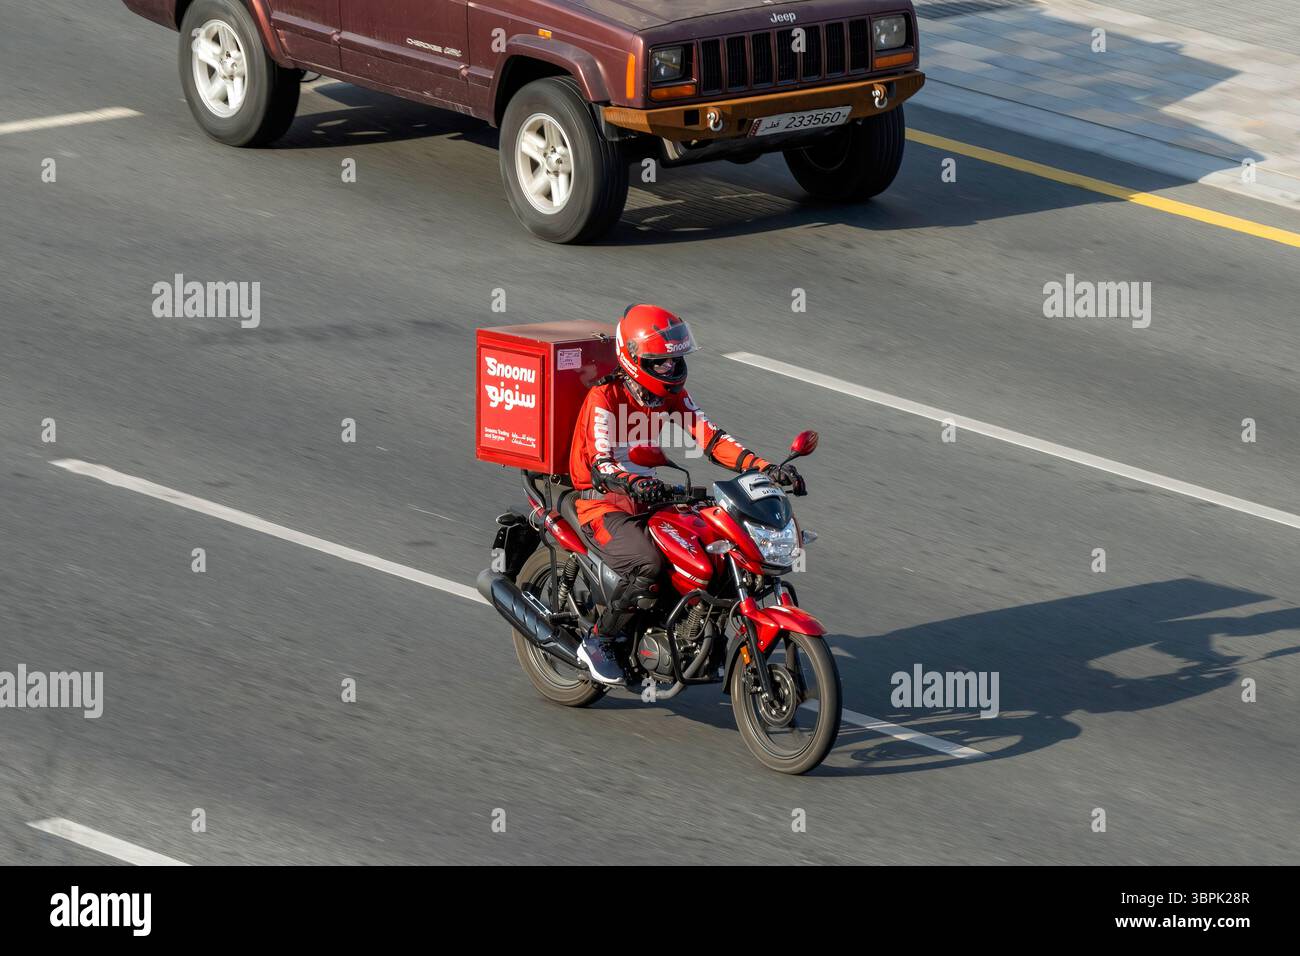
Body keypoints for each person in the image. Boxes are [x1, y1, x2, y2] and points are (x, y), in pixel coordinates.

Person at [567, 304, 806, 684]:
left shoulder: (668, 396)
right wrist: (633, 482)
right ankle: (600, 640)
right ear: (633, 358)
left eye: (674, 359)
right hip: (602, 504)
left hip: (654, 497)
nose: (671, 368)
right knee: (648, 564)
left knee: (715, 546)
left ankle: (690, 633)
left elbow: (711, 437)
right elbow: (600, 462)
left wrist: (765, 468)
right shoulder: (605, 397)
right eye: (660, 362)